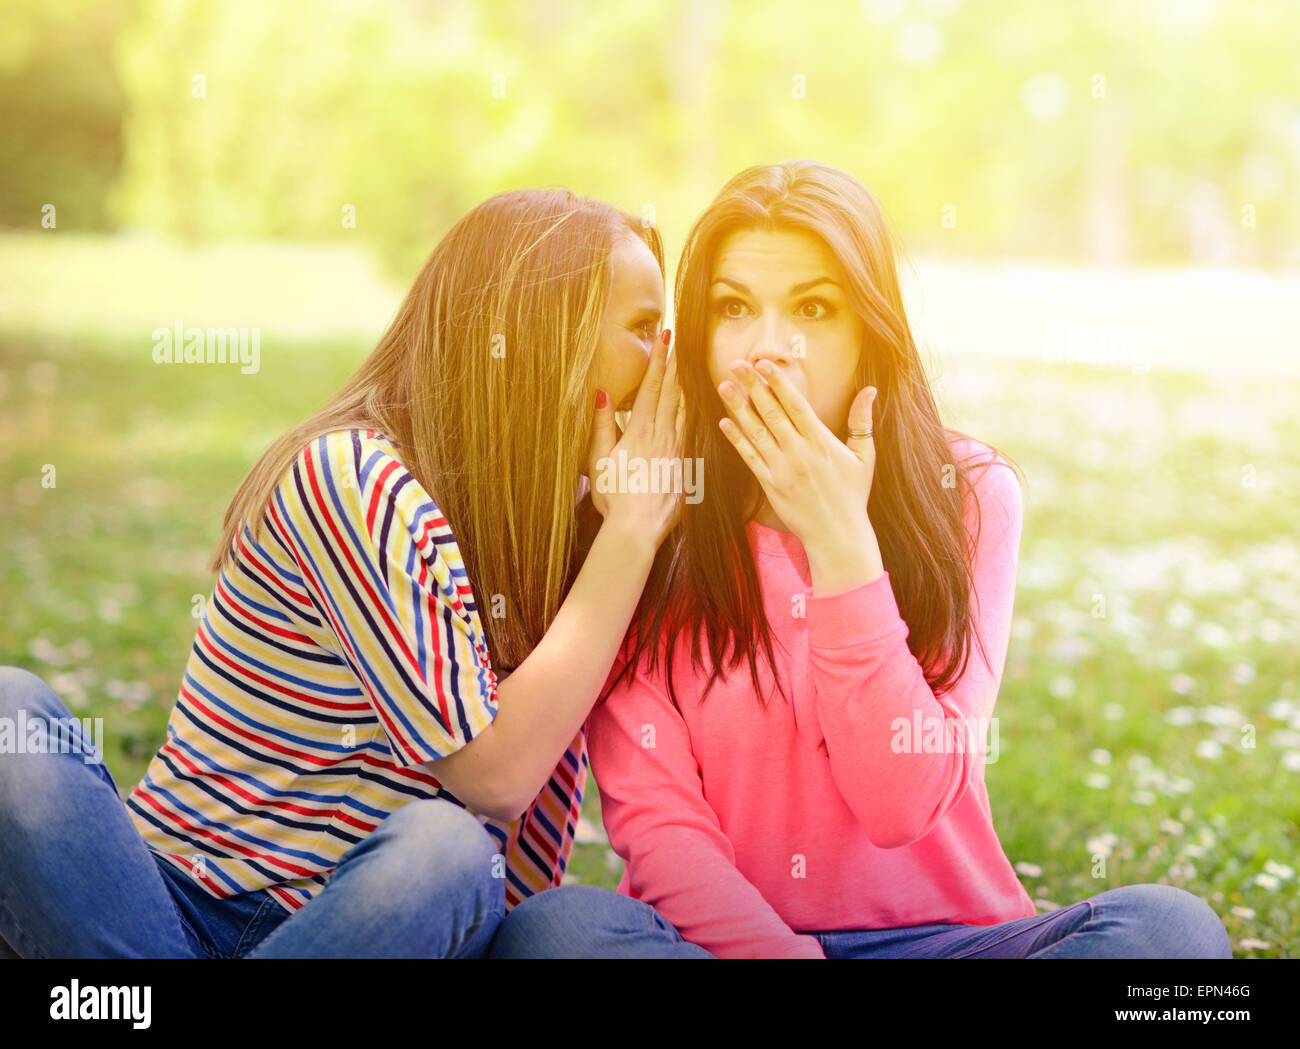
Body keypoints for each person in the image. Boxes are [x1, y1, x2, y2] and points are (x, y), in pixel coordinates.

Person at [500, 160, 1234, 959]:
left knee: (1169, 932)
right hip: (720, 948)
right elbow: (662, 828)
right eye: (734, 308)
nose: (769, 349)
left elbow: (903, 802)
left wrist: (841, 542)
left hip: (950, 940)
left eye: (813, 308)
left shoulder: (970, 493)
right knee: (555, 933)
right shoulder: (644, 511)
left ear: (869, 330)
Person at [0, 188, 708, 959]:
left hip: (396, 932)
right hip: (179, 909)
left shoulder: (578, 530)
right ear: (542, 339)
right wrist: (632, 535)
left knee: (458, 860)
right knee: (12, 710)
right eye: (644, 329)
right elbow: (496, 774)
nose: (666, 361)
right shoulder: (355, 478)